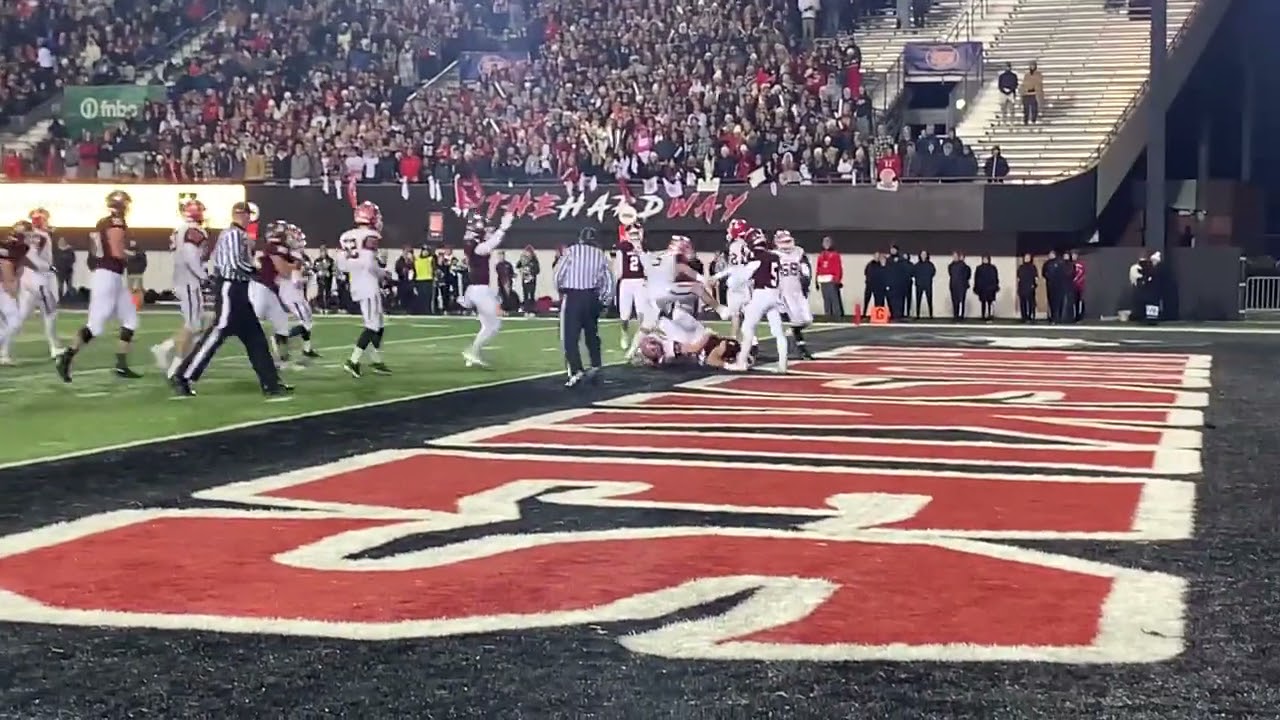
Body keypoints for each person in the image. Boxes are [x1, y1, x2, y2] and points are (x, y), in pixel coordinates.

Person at [168, 202, 290, 398]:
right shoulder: (233, 234)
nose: (247, 218)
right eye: (245, 214)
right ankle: (183, 376)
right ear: (238, 215)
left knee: (256, 338)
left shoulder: (238, 235)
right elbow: (233, 264)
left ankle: (271, 383)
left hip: (239, 289)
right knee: (217, 333)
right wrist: (254, 270)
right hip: (230, 289)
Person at [55, 190, 142, 382]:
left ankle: (121, 365)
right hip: (108, 275)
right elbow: (116, 248)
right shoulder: (116, 222)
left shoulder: (102, 222)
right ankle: (66, 356)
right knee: (95, 326)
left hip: (110, 274)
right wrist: (131, 255)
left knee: (130, 320)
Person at [151, 198, 209, 375]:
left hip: (182, 279)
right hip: (189, 281)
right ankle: (175, 368)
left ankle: (166, 348)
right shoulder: (193, 231)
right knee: (193, 325)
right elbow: (190, 256)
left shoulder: (180, 229)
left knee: (196, 325)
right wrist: (203, 276)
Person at [556, 225, 614, 388]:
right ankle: (595, 365)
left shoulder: (572, 251)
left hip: (574, 296)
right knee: (592, 334)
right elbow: (609, 280)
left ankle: (576, 370)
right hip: (591, 296)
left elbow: (558, 273)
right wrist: (605, 301)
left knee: (570, 337)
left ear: (581, 238)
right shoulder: (600, 255)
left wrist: (560, 289)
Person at [0, 207, 60, 364]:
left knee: (19, 317)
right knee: (50, 312)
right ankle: (54, 347)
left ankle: (4, 351)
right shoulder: (37, 236)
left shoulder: (32, 235)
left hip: (28, 279)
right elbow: (31, 256)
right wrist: (48, 267)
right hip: (38, 279)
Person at [339, 202, 392, 377]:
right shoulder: (370, 235)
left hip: (357, 282)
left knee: (379, 324)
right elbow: (369, 263)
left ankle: (376, 360)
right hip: (368, 284)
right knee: (372, 325)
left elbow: (342, 265)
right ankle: (353, 361)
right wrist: (382, 272)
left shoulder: (346, 236)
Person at [459, 211, 514, 367]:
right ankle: (472, 351)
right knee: (493, 325)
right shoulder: (477, 248)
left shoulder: (473, 244)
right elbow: (491, 243)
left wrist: (494, 229)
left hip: (476, 290)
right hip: (480, 291)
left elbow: (488, 239)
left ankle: (472, 355)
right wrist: (503, 228)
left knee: (487, 325)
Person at [974, 255, 999, 321]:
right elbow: (976, 278)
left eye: (986, 259)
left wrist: (995, 286)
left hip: (990, 288)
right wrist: (976, 287)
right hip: (982, 288)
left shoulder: (992, 268)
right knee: (983, 302)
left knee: (990, 302)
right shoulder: (979, 268)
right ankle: (983, 315)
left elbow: (995, 278)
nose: (985, 260)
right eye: (984, 259)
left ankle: (990, 315)